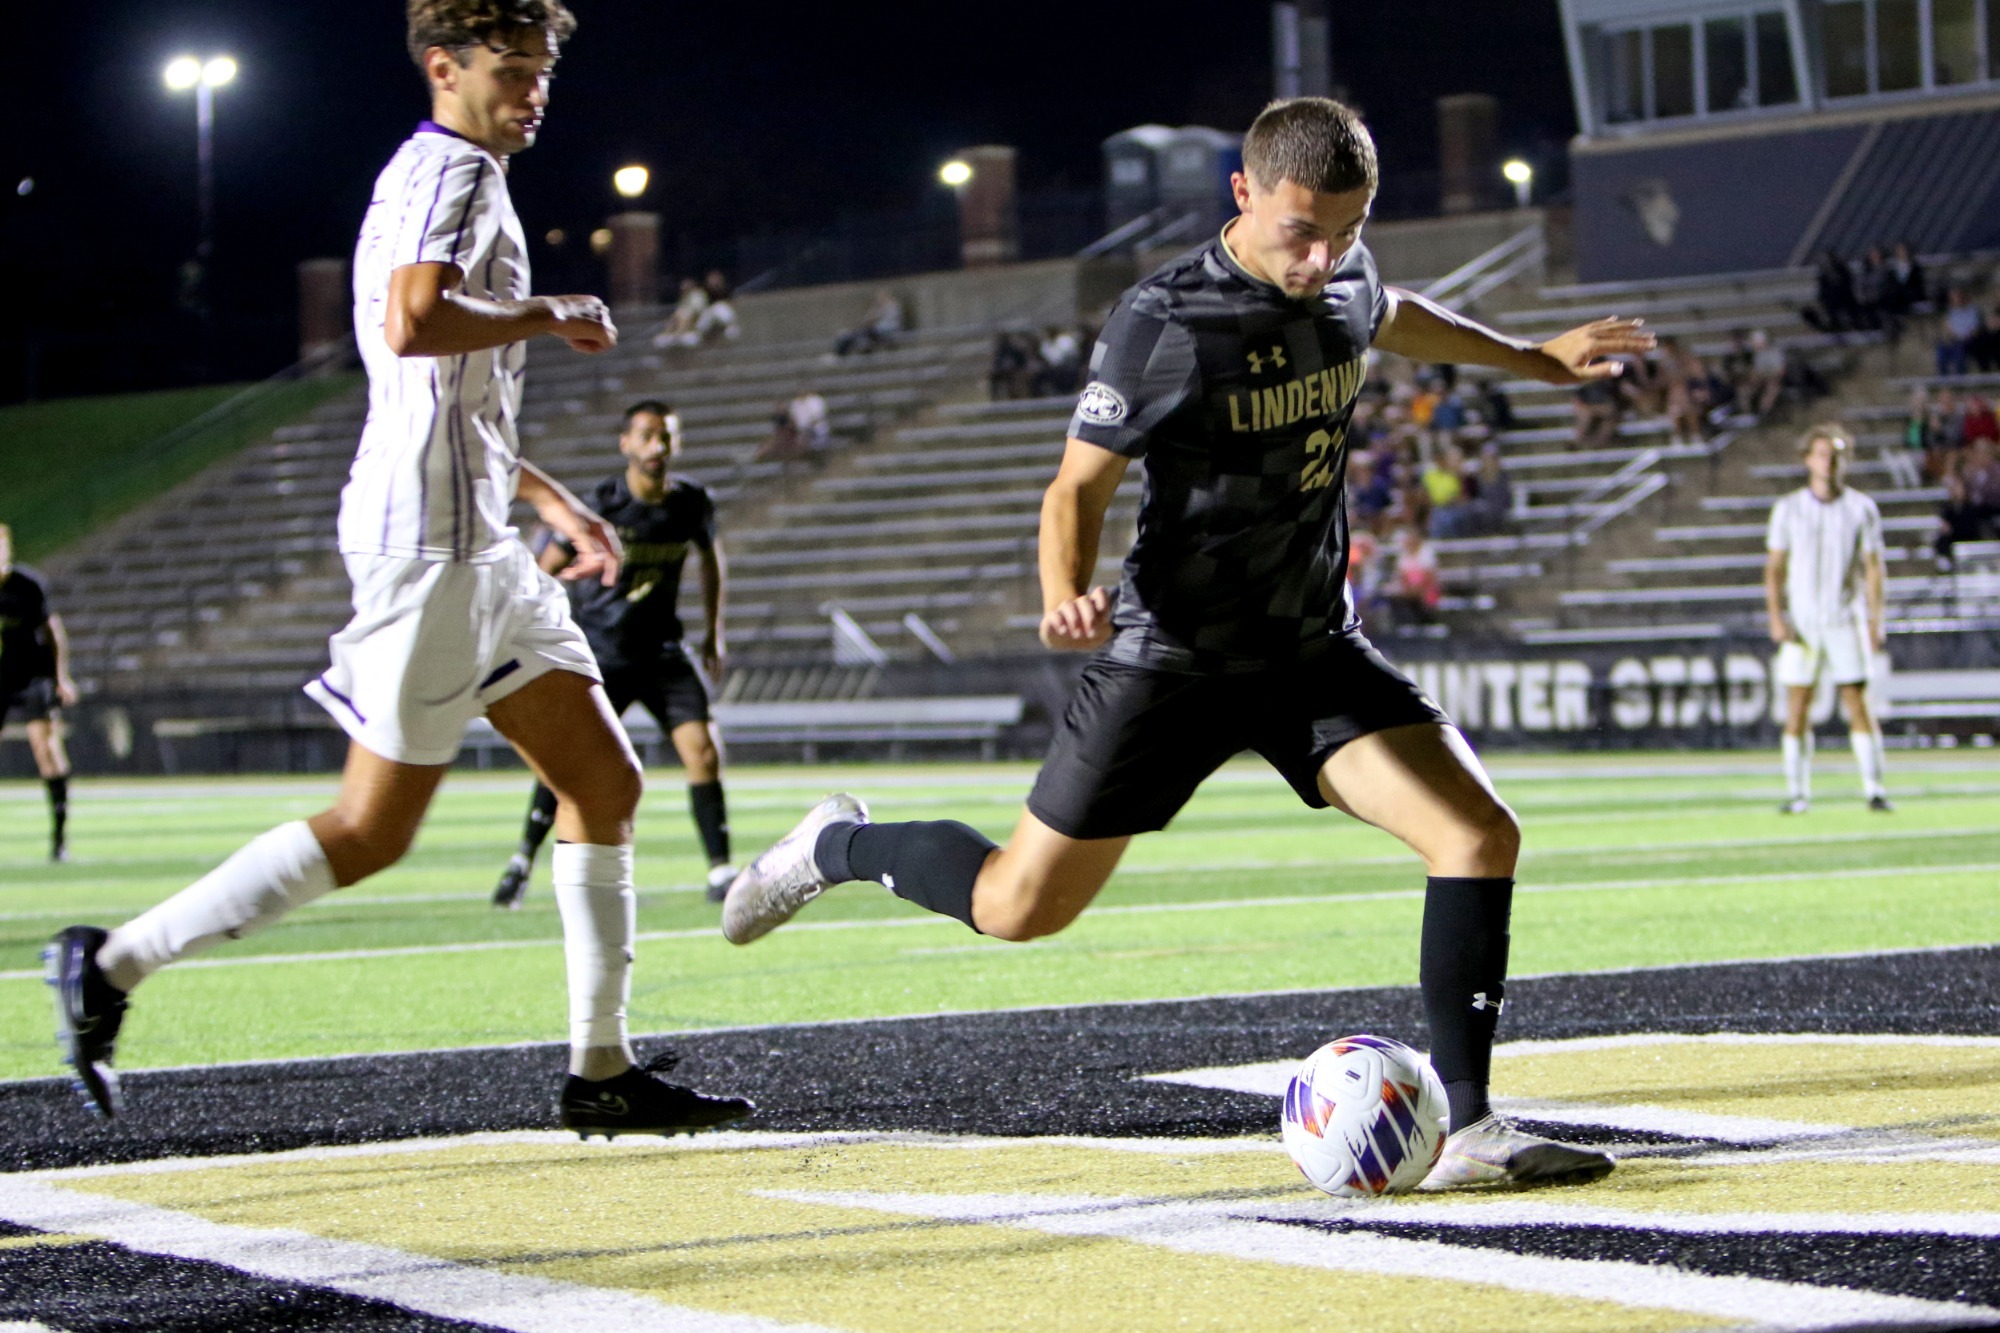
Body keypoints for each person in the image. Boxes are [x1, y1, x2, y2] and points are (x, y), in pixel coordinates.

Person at [721, 97, 1655, 1189]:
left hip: (1307, 647)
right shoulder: (1164, 316)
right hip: (1171, 658)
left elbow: (1389, 311)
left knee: (1476, 833)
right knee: (1016, 908)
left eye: (1345, 231)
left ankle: (1473, 1126)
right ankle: (835, 846)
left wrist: (1535, 360)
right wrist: (1063, 588)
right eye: (1300, 231)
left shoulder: (1345, 272)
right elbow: (1076, 484)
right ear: (1241, 193)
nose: (1321, 258)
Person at [44, 0, 751, 1137]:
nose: (533, 93)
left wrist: (547, 494)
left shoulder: (445, 173)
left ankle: (601, 1070)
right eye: (511, 71)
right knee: (372, 831)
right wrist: (551, 310)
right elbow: (416, 324)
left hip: (478, 540)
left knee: (605, 785)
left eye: (542, 73)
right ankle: (112, 963)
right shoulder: (454, 172)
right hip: (426, 546)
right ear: (443, 68)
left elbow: (437, 381)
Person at [494, 400, 737, 909]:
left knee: (704, 752)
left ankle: (720, 871)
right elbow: (546, 569)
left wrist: (714, 632)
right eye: (647, 436)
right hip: (602, 652)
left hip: (664, 651)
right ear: (625, 444)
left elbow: (711, 560)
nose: (658, 447)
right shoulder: (602, 502)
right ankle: (521, 861)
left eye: (667, 437)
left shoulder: (692, 502)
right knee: (567, 764)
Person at [1764, 424, 1891, 815]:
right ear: (1807, 459)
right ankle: (1798, 792)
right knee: (1798, 703)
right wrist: (1776, 616)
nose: (1827, 461)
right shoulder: (1788, 508)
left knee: (1856, 699)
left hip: (1843, 617)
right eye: (1820, 454)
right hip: (1803, 620)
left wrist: (1875, 619)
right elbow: (1774, 568)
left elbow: (1873, 568)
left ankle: (1874, 788)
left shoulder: (1861, 508)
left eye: (1834, 454)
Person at [0, 523, 80, 861]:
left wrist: (61, 678)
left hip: (34, 675)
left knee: (45, 748)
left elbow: (54, 633)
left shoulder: (27, 586)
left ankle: (59, 839)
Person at [834, 289, 903, 356]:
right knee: (862, 333)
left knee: (866, 332)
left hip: (888, 329)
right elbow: (869, 318)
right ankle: (848, 343)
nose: (878, 300)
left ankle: (849, 344)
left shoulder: (891, 306)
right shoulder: (883, 307)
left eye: (880, 298)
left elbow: (873, 317)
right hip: (881, 329)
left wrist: (874, 312)